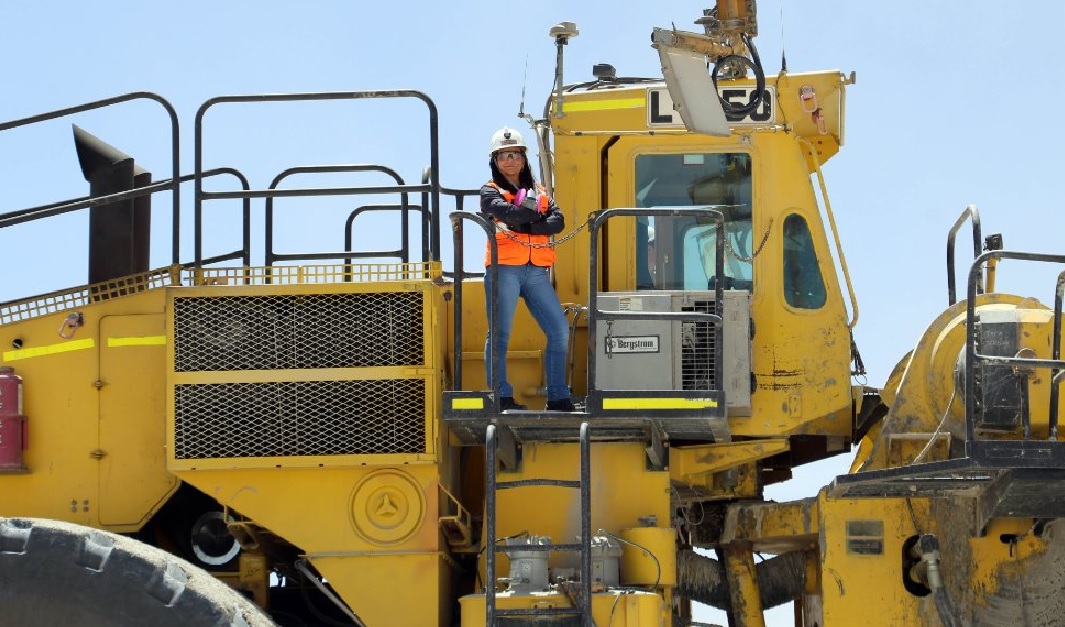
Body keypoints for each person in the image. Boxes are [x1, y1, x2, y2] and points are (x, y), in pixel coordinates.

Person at [480, 126, 575, 412]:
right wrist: (534, 219)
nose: (509, 160)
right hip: (504, 269)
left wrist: (522, 223)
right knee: (500, 333)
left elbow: (557, 222)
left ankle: (558, 398)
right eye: (503, 156)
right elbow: (508, 212)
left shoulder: (541, 191)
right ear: (495, 162)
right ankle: (501, 396)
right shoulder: (489, 191)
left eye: (515, 154)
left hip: (536, 271)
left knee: (559, 329)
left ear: (523, 158)